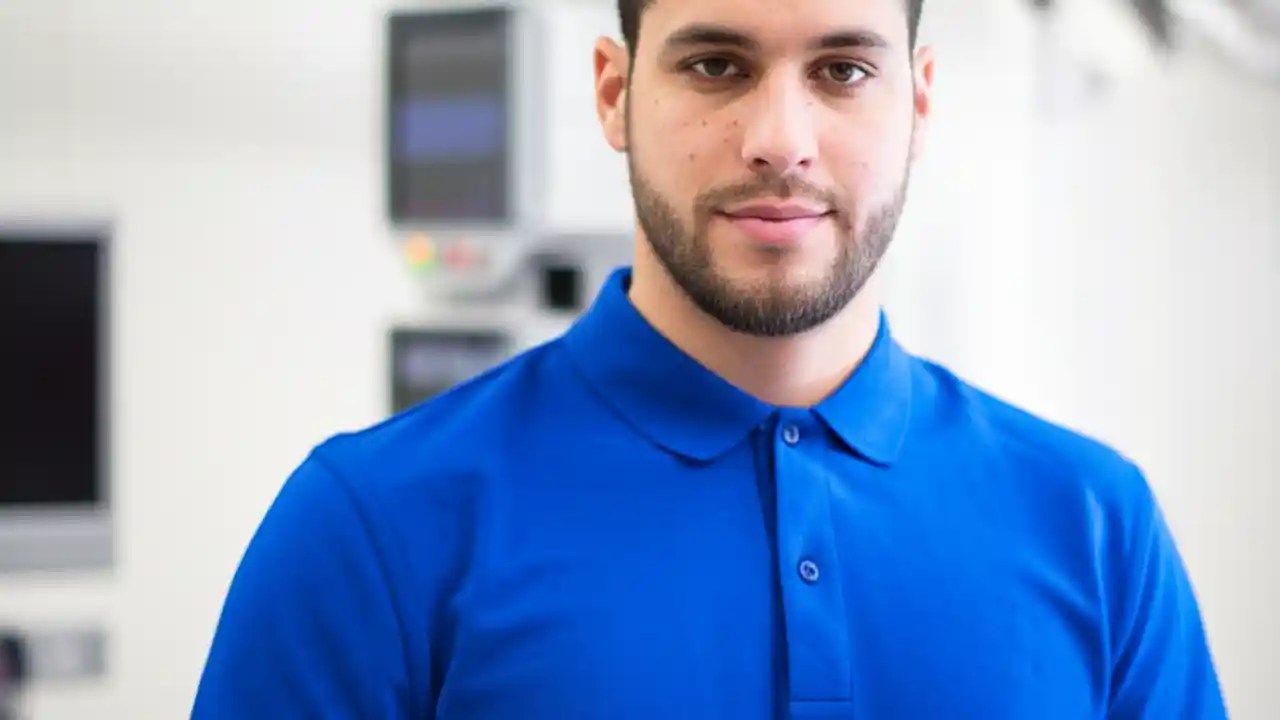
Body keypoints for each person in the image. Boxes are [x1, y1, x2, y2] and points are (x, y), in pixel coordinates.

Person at [193, 0, 1228, 717]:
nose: (780, 139)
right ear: (613, 92)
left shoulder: (1094, 524)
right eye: (715, 65)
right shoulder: (372, 528)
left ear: (917, 103)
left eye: (842, 70)